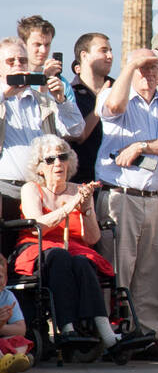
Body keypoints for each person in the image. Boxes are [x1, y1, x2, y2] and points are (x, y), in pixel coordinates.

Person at [95, 49, 158, 343]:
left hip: (157, 198)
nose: (148, 75)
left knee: (149, 272)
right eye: (142, 69)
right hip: (122, 195)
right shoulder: (114, 93)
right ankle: (114, 335)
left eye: (152, 69)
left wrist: (142, 146)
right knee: (118, 268)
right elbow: (114, 106)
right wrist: (131, 62)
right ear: (130, 70)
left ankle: (145, 336)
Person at [15, 135, 119, 350]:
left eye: (62, 157)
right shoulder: (32, 189)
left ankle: (105, 330)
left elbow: (92, 239)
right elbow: (38, 226)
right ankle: (67, 327)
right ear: (40, 167)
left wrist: (86, 207)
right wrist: (69, 207)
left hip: (73, 248)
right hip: (38, 246)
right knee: (59, 257)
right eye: (50, 159)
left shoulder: (77, 189)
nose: (58, 163)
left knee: (83, 260)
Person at [0, 37, 85, 204]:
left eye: (23, 61)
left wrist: (62, 101)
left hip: (41, 189)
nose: (18, 64)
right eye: (11, 61)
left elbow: (76, 130)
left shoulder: (43, 101)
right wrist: (4, 94)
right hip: (5, 188)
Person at [68, 32, 114, 185]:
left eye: (111, 51)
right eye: (103, 50)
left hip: (115, 184)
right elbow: (77, 136)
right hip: (80, 183)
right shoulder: (69, 94)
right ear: (84, 55)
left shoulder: (119, 90)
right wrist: (100, 105)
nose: (110, 56)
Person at [0, 256, 33, 373]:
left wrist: (2, 325)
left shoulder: (7, 296)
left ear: (5, 280)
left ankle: (14, 359)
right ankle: (7, 363)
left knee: (20, 341)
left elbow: (20, 330)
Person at [18, 15, 61, 85]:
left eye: (47, 45)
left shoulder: (59, 82)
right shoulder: (12, 80)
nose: (43, 50)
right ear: (23, 44)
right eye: (37, 45)